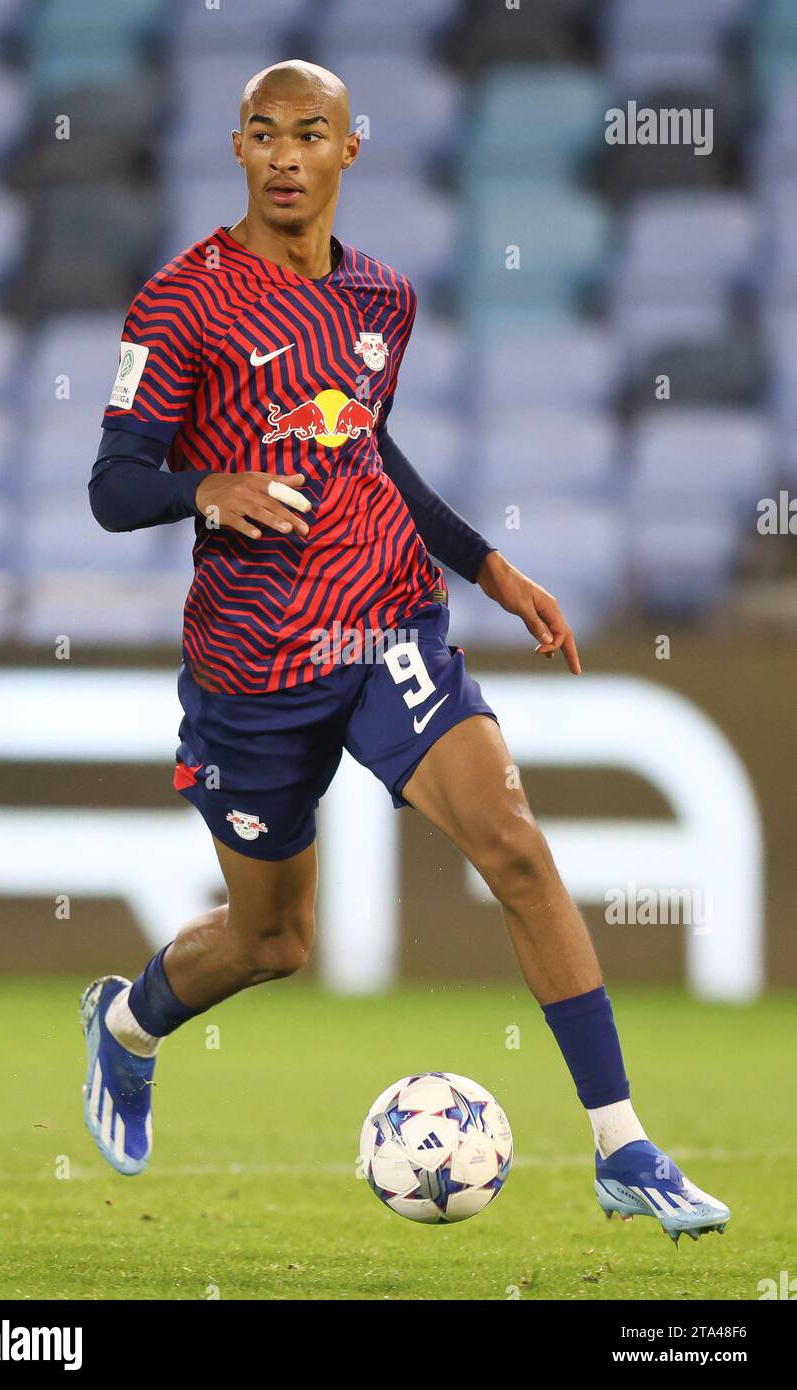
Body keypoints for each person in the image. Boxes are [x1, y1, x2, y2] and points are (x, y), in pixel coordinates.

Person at [82, 60, 729, 1244]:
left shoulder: (381, 298)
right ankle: (126, 1029)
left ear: (349, 150)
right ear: (236, 149)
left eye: (309, 134)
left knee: (515, 850)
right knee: (271, 940)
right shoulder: (179, 303)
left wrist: (489, 567)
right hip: (253, 662)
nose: (285, 155)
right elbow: (113, 487)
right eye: (263, 134)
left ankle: (620, 1143)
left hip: (384, 620)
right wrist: (205, 487)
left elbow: (372, 456)